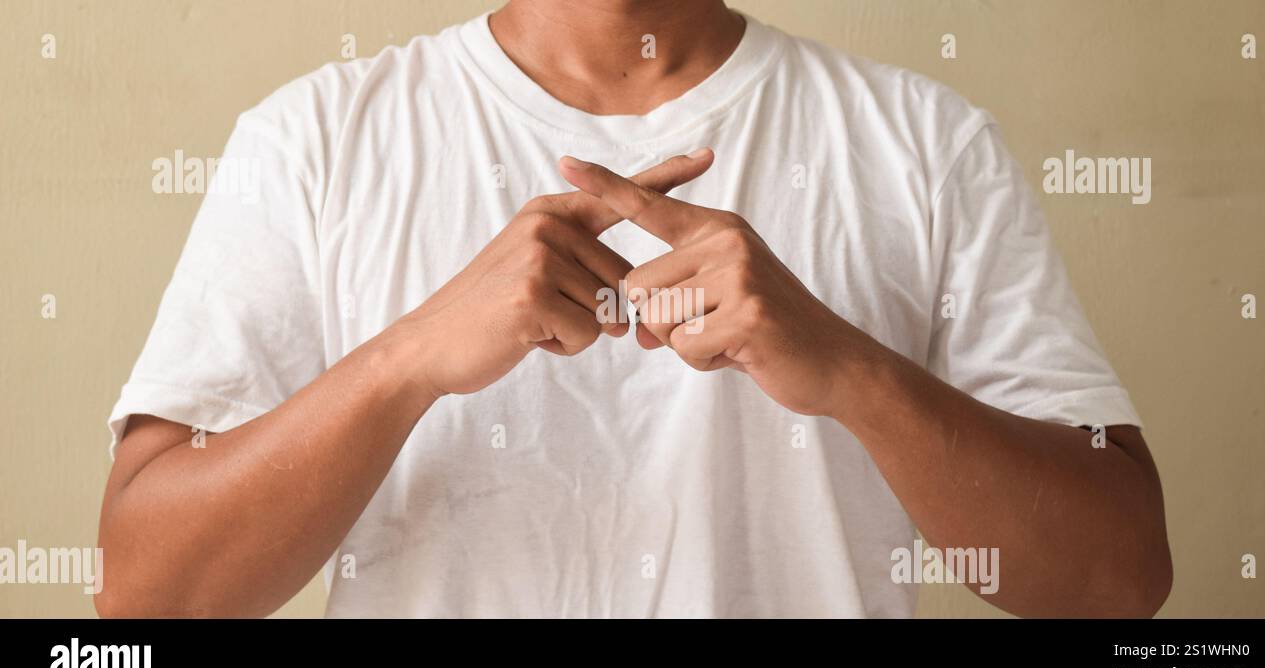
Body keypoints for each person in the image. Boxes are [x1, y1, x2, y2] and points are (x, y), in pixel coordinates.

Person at [98, 0, 1172, 618]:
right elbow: (143, 597)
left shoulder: (927, 145)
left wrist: (852, 372)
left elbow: (1116, 581)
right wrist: (411, 358)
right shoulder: (312, 141)